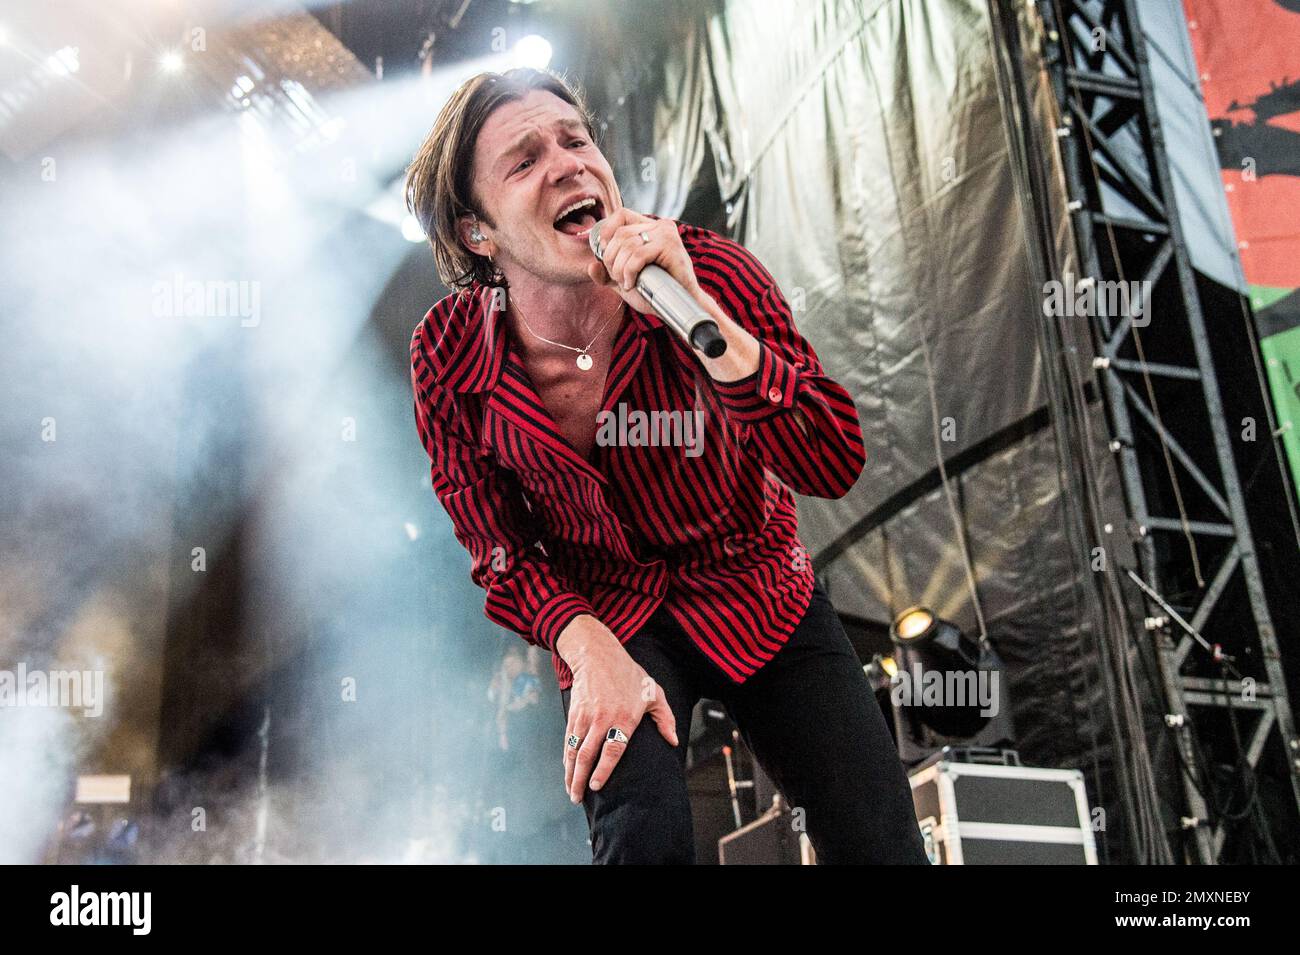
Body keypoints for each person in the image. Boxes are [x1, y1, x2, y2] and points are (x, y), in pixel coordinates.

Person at [405, 67, 928, 865]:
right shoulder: (446, 357)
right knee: (639, 831)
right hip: (611, 612)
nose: (568, 164)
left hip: (759, 586)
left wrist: (707, 324)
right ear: (479, 231)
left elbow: (831, 457)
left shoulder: (709, 274)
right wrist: (582, 646)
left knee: (875, 834)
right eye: (524, 160)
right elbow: (498, 548)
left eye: (575, 139)